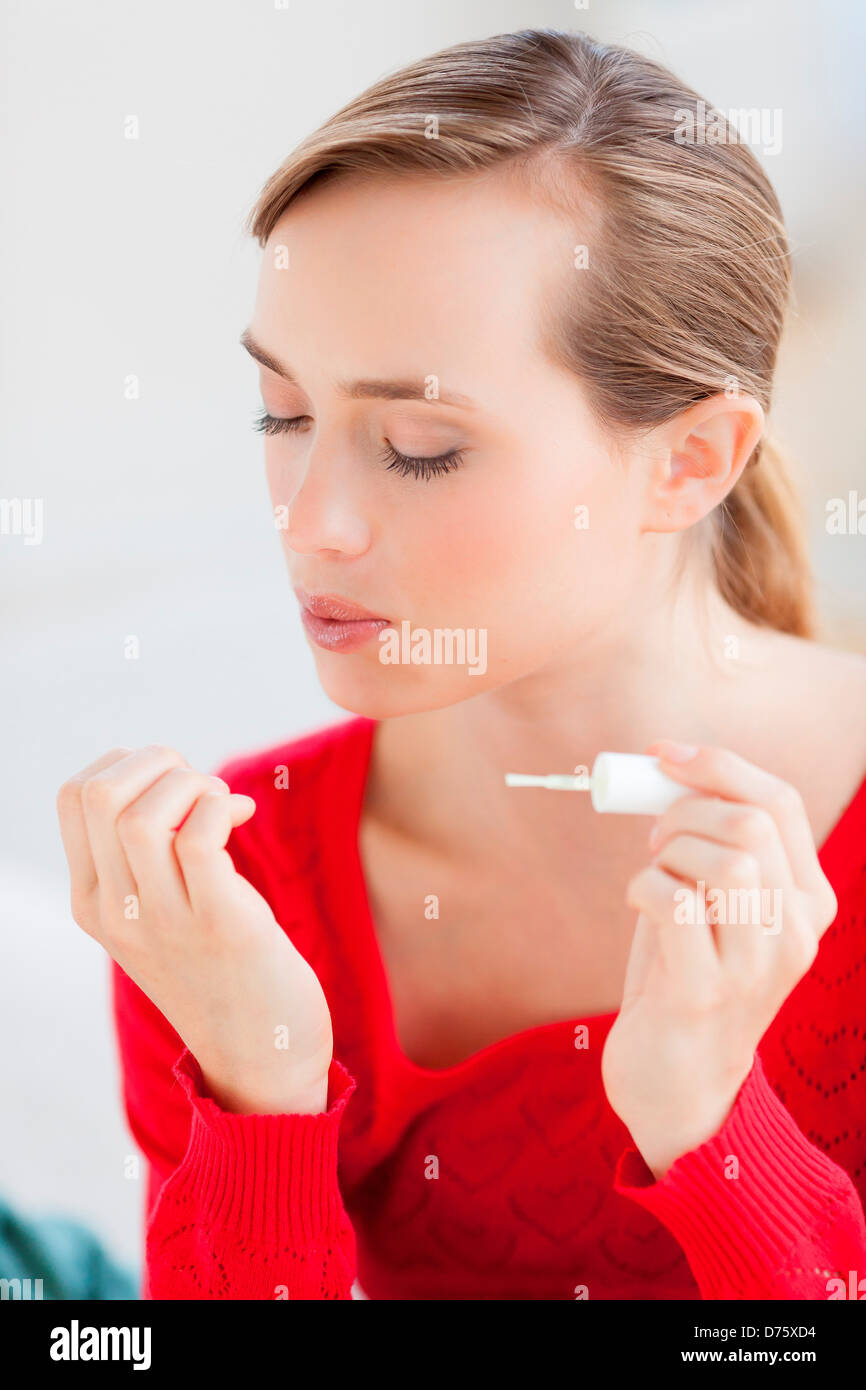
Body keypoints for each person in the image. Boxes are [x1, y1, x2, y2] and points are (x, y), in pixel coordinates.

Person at [57, 28, 866, 1300]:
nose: (311, 518)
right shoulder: (228, 892)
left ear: (688, 460)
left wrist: (714, 1130)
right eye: (283, 414)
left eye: (421, 443)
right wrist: (260, 1093)